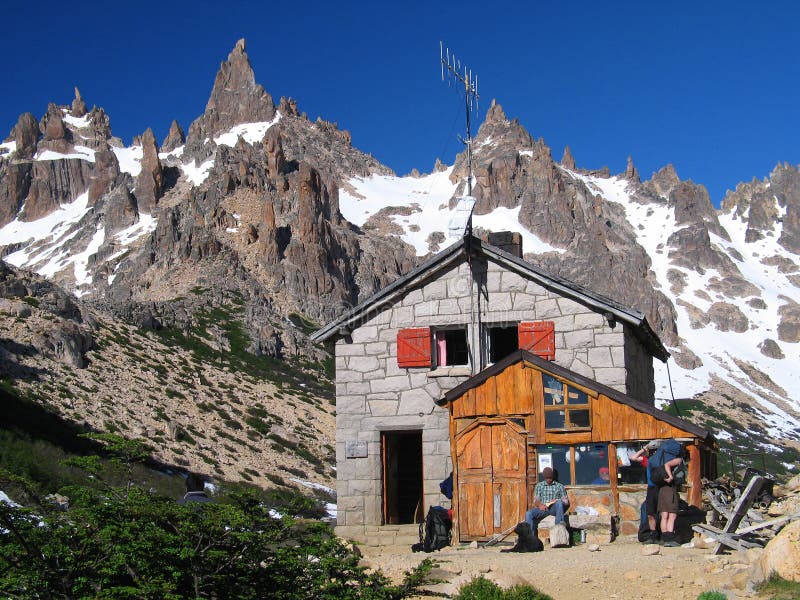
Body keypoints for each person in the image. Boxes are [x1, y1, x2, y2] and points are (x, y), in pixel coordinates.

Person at [525, 467, 570, 533]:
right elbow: (536, 500)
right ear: (544, 477)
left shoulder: (560, 486)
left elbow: (566, 502)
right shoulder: (539, 486)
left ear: (553, 477)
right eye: (547, 478)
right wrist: (540, 505)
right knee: (528, 513)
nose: (549, 480)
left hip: (554, 509)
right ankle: (530, 536)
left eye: (550, 478)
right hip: (543, 509)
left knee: (559, 503)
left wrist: (557, 500)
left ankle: (559, 527)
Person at [631, 440, 660, 543]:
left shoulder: (649, 460)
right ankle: (654, 534)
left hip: (653, 488)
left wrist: (645, 448)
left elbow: (633, 457)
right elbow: (633, 458)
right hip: (657, 488)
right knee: (652, 510)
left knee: (650, 511)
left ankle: (651, 534)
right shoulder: (652, 460)